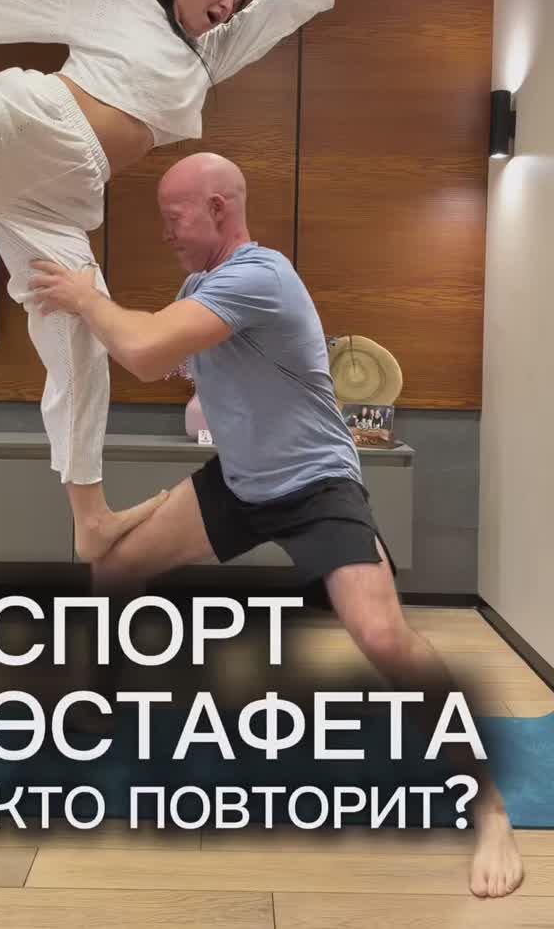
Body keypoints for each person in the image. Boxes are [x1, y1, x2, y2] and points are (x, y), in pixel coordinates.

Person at [29, 151, 524, 901]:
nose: (165, 233)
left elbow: (143, 351)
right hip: (241, 480)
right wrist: (93, 316)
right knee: (115, 570)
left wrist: (85, 295)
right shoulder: (200, 288)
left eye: (173, 218)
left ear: (219, 209)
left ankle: (489, 809)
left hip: (316, 484)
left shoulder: (261, 276)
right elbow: (159, 350)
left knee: (383, 636)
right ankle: (96, 717)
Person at [0, 0, 391, 562]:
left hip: (60, 196)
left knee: (79, 341)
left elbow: (274, 14)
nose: (229, 4)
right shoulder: (116, 3)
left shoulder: (210, 55)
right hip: (31, 124)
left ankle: (91, 520)